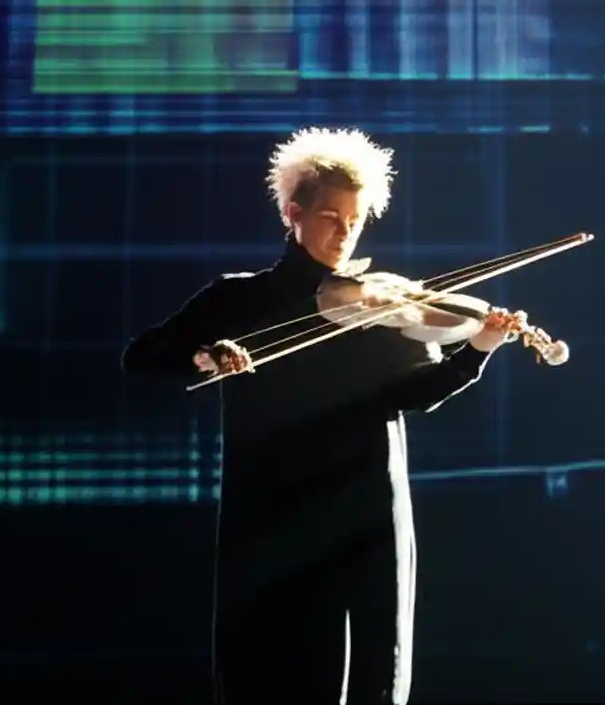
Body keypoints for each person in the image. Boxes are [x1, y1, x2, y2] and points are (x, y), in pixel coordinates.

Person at [120, 127, 524, 704]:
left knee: (371, 675)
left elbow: (419, 392)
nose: (345, 233)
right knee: (272, 669)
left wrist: (479, 346)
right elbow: (142, 356)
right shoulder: (237, 298)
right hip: (273, 510)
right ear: (294, 213)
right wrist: (203, 355)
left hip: (365, 509)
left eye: (355, 220)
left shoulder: (380, 303)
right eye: (331, 217)